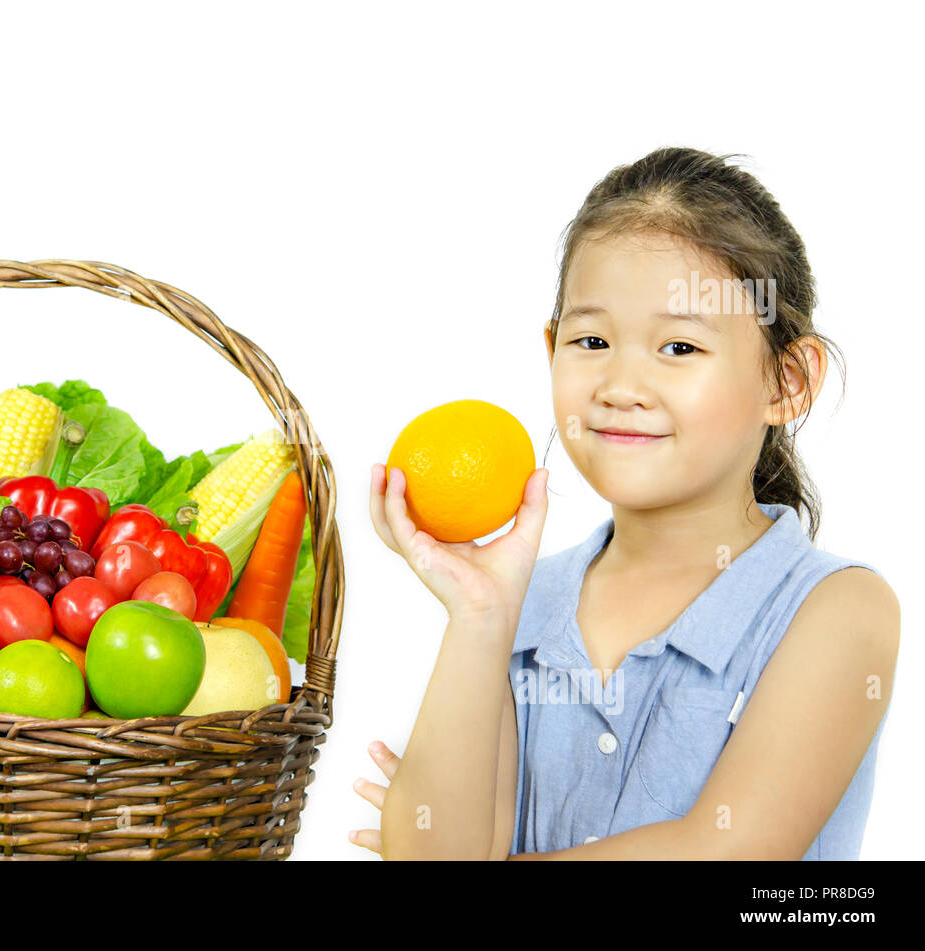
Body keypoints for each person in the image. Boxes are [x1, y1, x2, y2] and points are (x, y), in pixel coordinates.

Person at [352, 146, 900, 860]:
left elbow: (724, 853)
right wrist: (480, 618)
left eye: (678, 346)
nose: (620, 383)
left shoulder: (837, 610)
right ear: (551, 350)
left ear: (786, 381)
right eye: (591, 339)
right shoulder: (524, 603)